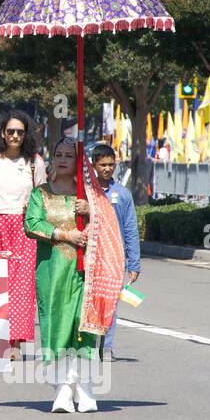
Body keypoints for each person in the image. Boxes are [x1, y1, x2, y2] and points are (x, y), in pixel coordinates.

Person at [25, 139, 126, 413]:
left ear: (78, 161)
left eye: (69, 155)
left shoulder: (91, 195)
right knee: (57, 324)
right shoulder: (41, 193)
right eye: (58, 154)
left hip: (87, 272)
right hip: (53, 271)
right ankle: (62, 387)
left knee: (85, 326)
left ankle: (85, 386)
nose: (62, 159)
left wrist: (91, 210)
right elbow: (32, 224)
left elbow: (109, 225)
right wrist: (65, 234)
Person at [0, 110, 46, 369]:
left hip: (24, 228)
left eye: (19, 132)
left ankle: (16, 343)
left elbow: (42, 196)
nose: (15, 136)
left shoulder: (34, 163)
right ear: (2, 134)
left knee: (22, 287)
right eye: (10, 131)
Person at [92, 144, 140, 362]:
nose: (107, 169)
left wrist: (134, 264)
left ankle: (107, 346)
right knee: (90, 303)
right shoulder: (86, 193)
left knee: (110, 303)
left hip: (114, 259)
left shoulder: (123, 194)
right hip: (90, 256)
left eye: (111, 164)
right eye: (102, 165)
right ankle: (90, 346)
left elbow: (130, 229)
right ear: (94, 165)